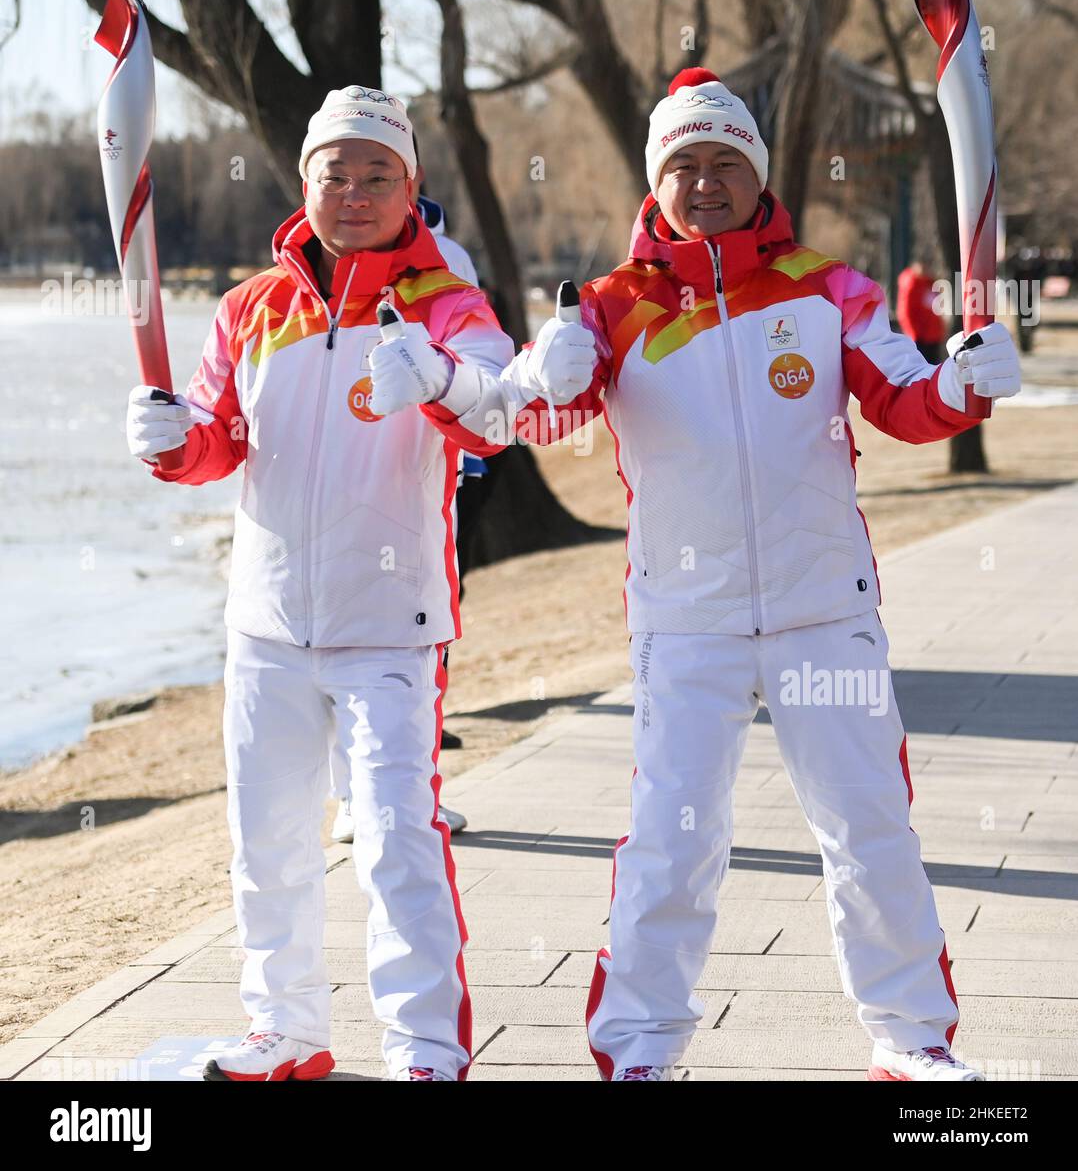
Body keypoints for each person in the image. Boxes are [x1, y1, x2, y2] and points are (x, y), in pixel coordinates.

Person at [441, 67, 1022, 1082]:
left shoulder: (827, 287)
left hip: (820, 611)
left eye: (725, 163)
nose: (705, 183)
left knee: (869, 828)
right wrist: (542, 372)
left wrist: (963, 384)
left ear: (756, 175)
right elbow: (520, 422)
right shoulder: (608, 308)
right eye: (684, 165)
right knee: (673, 843)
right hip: (688, 621)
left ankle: (910, 1039)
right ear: (656, 183)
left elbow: (905, 401)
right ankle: (640, 1050)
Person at [125, 86, 514, 1081]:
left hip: (390, 624)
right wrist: (174, 444)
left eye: (375, 174)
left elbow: (501, 415)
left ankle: (426, 1049)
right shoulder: (251, 308)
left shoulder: (447, 301)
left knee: (395, 844)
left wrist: (435, 377)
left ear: (409, 187)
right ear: (305, 183)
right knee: (268, 844)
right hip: (266, 620)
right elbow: (219, 439)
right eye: (333, 173)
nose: (353, 191)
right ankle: (284, 1029)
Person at [328, 153, 475, 844]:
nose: (364, 194)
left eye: (382, 177)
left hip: (423, 469)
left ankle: (399, 790)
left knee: (421, 630)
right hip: (344, 475)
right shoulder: (329, 256)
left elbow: (476, 370)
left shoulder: (448, 259)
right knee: (335, 629)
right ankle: (355, 797)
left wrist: (468, 453)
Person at [896, 259, 946, 364]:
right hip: (920, 338)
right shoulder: (912, 284)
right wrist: (914, 334)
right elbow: (905, 313)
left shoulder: (929, 283)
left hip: (933, 335)